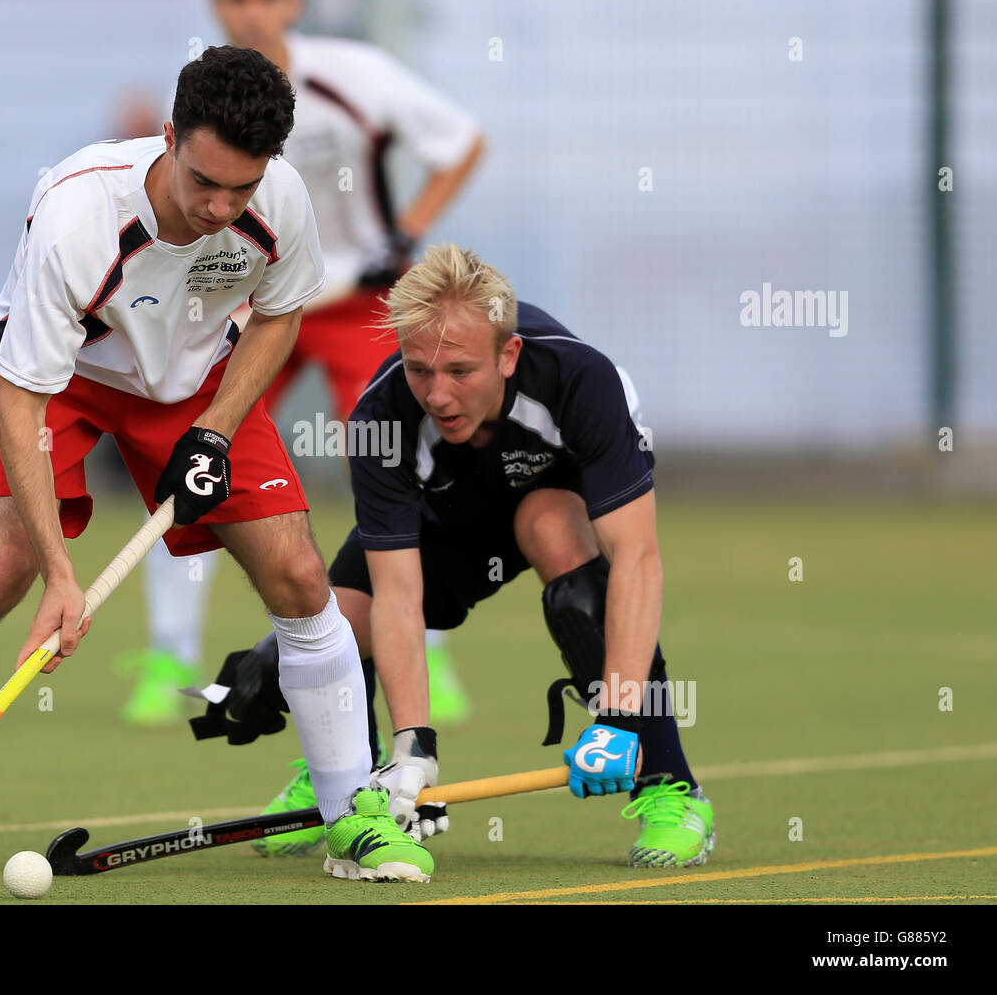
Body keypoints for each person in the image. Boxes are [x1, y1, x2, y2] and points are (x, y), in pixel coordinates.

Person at [0, 46, 435, 891]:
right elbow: (23, 402)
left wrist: (212, 430)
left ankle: (351, 808)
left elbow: (279, 315)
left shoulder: (276, 201)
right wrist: (63, 579)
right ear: (168, 136)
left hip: (196, 379)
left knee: (298, 572)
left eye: (239, 189)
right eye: (202, 180)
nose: (219, 207)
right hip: (62, 378)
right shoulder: (78, 216)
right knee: (1, 567)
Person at [194, 244, 716, 867]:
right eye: (419, 370)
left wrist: (621, 715)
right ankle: (348, 775)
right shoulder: (380, 417)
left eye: (460, 372)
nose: (437, 395)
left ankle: (671, 788)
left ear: (508, 354)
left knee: (550, 525)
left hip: (550, 508)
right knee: (333, 625)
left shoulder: (582, 382)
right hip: (445, 523)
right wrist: (415, 749)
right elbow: (398, 595)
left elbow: (636, 558)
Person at [123, 0, 485, 808]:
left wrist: (407, 232)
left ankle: (424, 650)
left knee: (396, 471)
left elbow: (461, 140)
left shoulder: (355, 74)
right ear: (217, 7)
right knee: (193, 464)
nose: (251, 11)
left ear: (294, 4)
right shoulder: (205, 94)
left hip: (355, 301)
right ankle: (168, 658)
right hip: (247, 308)